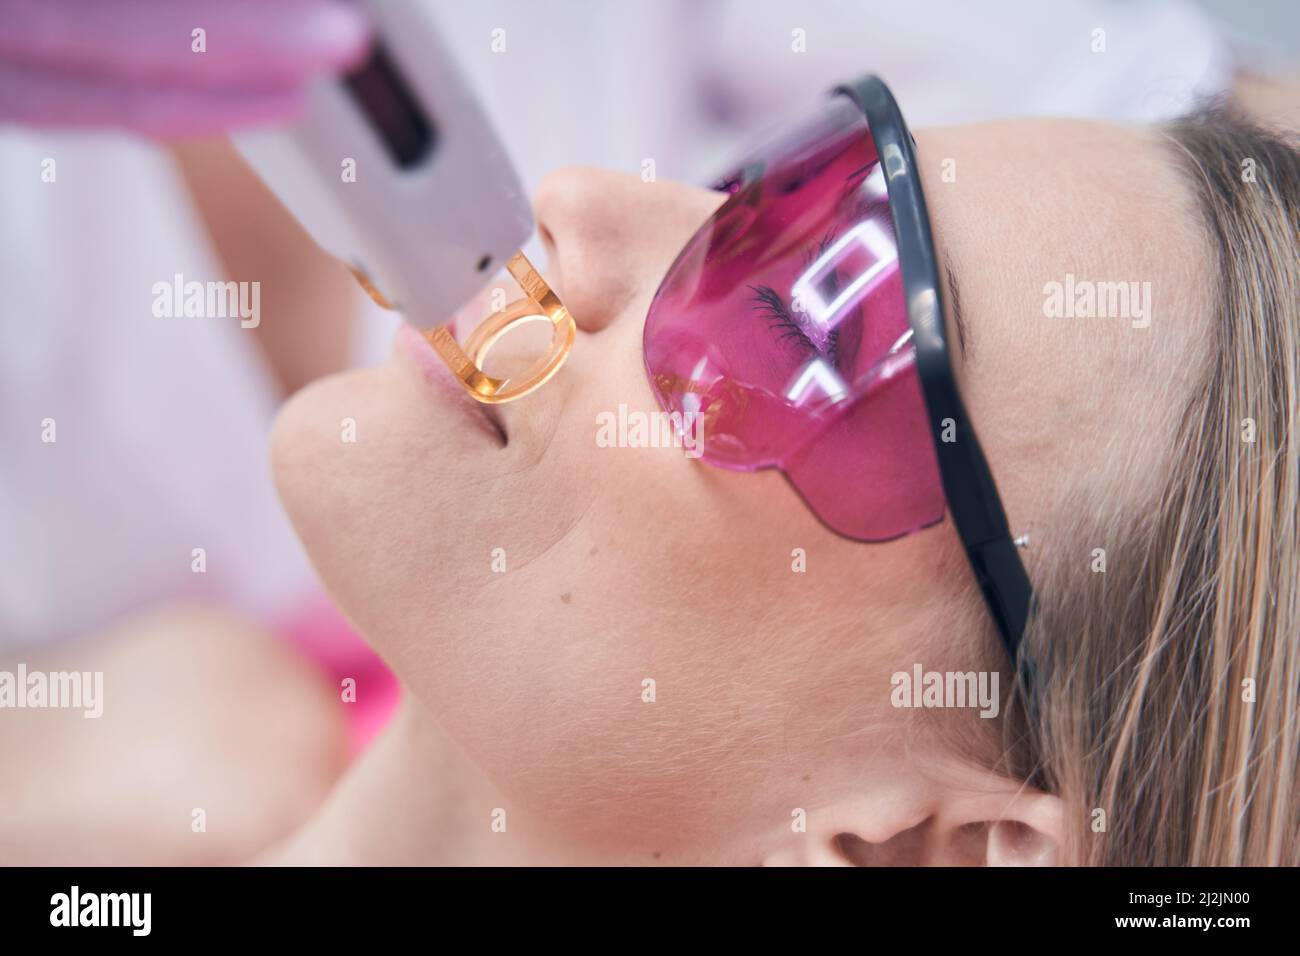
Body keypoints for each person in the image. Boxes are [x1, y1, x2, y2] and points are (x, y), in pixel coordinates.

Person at [263, 81, 1300, 866]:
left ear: (938, 847)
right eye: (770, 195)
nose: (577, 204)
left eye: (800, 322)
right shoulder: (246, 694)